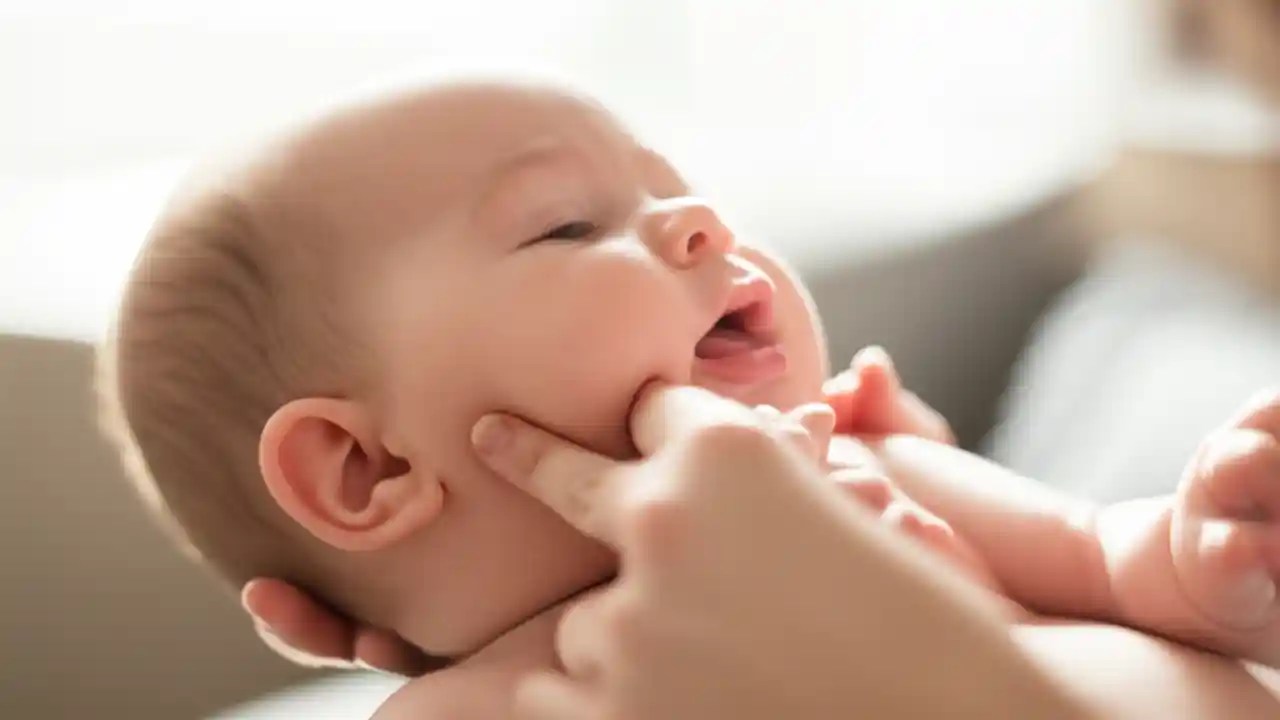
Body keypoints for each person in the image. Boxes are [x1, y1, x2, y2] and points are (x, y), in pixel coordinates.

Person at [99, 75, 1280, 718]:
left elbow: (1094, 554)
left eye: (677, 190)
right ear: (367, 471)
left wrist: (1190, 561)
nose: (699, 222)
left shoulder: (862, 473)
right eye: (569, 223)